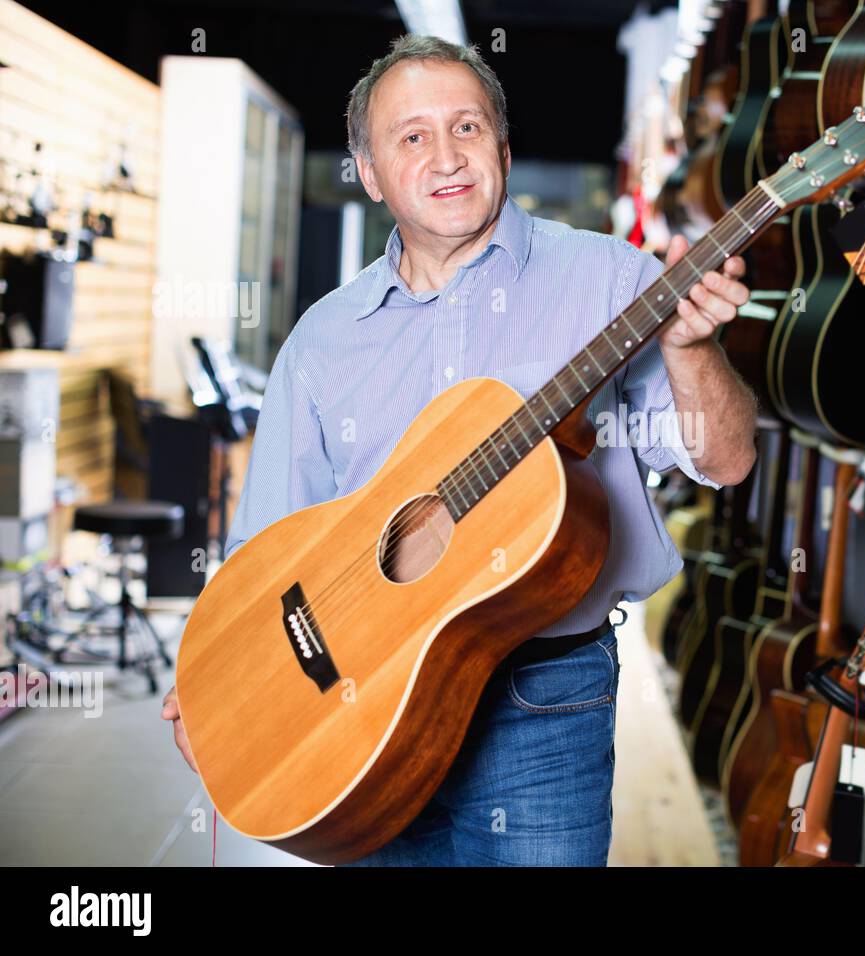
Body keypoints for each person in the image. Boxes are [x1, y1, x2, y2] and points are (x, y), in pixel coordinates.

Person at [161, 33, 757, 866]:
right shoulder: (323, 340)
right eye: (411, 136)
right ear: (369, 172)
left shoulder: (614, 285)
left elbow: (725, 460)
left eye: (468, 128)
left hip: (542, 701)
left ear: (503, 149)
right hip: (359, 712)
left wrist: (695, 351)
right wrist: (216, 674)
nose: (446, 156)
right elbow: (264, 542)